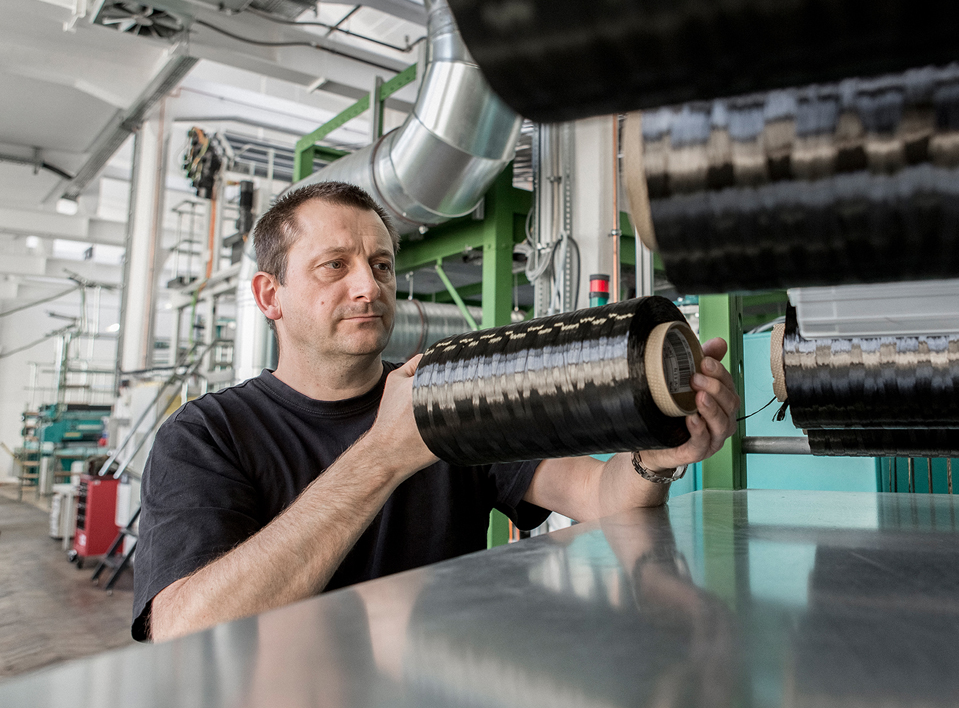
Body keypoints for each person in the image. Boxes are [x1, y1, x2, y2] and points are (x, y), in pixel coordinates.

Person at [134, 181, 740, 642]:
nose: (368, 287)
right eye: (335, 265)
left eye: (381, 265)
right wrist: (384, 455)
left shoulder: (452, 398)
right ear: (271, 295)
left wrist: (656, 458)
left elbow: (599, 496)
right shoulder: (207, 435)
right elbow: (184, 629)